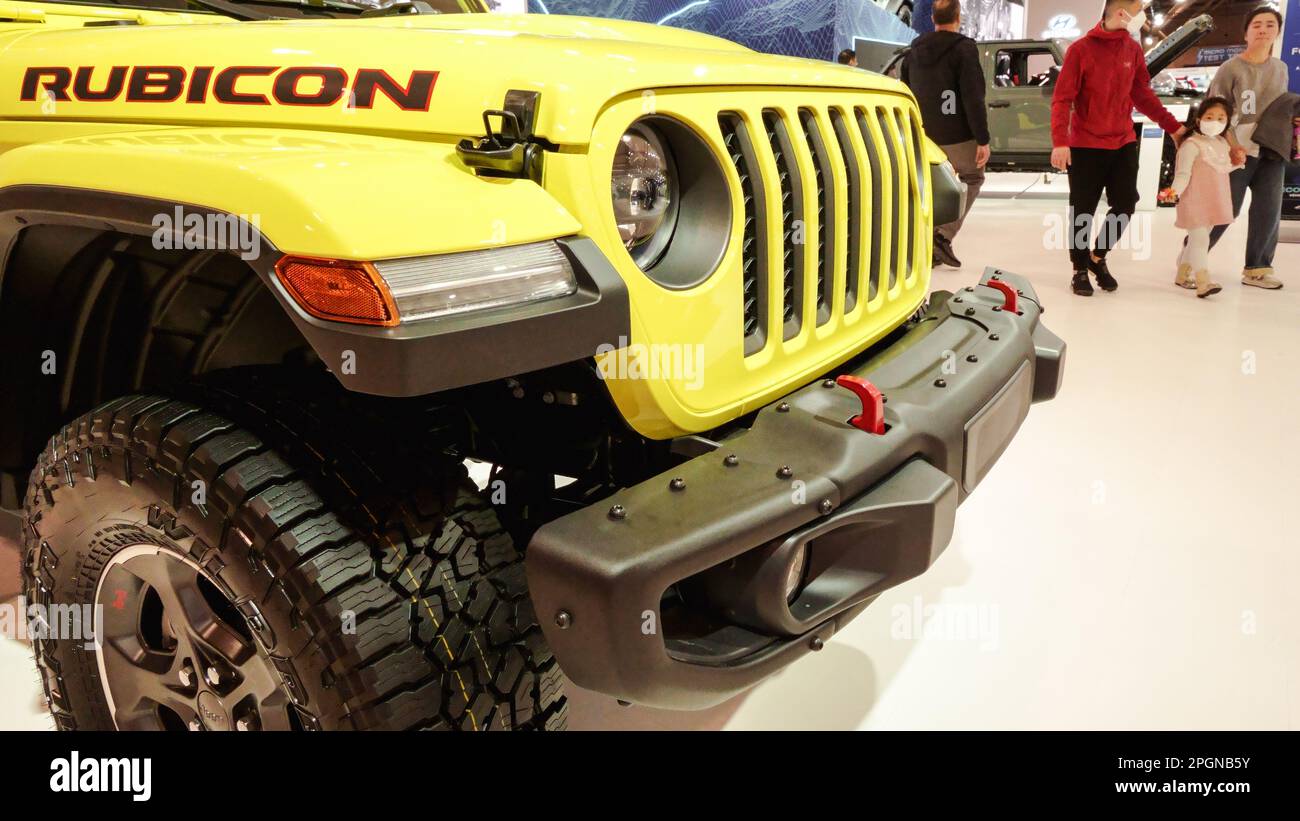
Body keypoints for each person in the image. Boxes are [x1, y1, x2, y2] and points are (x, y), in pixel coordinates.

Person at [1050, 0, 1187, 297]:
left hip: (1122, 140)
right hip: (1086, 144)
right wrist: (1060, 141)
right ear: (1121, 13)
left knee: (1126, 203)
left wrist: (1173, 126)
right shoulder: (1080, 50)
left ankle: (1097, 258)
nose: (1144, 17)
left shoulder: (1132, 49)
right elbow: (1062, 99)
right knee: (1083, 209)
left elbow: (1142, 94)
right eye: (1139, 10)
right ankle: (1079, 268)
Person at [1200, 5, 1289, 290]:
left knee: (1268, 210)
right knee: (1225, 209)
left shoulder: (1281, 68)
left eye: (1270, 25)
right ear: (1247, 32)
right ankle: (1193, 259)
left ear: (1277, 32)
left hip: (1272, 151)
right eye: (1257, 25)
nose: (1263, 30)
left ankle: (1257, 269)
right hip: (1236, 150)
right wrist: (1232, 145)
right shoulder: (1231, 68)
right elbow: (1216, 109)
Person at [901, 0, 989, 269]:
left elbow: (905, 93)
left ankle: (920, 242)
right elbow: (973, 97)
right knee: (973, 177)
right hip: (959, 135)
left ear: (932, 17)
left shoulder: (912, 52)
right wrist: (982, 138)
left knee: (925, 186)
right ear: (958, 17)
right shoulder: (964, 49)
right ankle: (942, 235)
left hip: (924, 136)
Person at [1161, 97, 1245, 298]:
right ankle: (1203, 281)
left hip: (1215, 200)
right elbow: (1183, 174)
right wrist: (1173, 193)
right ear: (1199, 120)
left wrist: (1237, 162)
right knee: (1200, 241)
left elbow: (1220, 169)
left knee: (1197, 241)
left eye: (1220, 118)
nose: (1215, 121)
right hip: (1194, 201)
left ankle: (1182, 274)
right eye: (1210, 116)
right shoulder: (1191, 144)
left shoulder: (1221, 143)